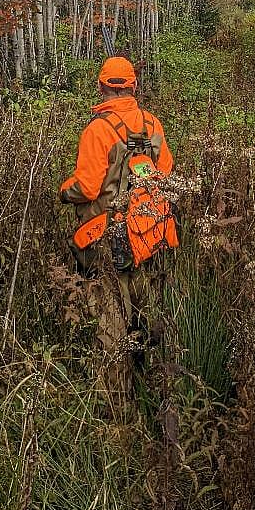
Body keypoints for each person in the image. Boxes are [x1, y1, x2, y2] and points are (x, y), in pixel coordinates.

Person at [59, 55, 175, 394]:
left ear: (100, 86)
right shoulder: (153, 125)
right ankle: (153, 382)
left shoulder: (97, 131)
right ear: (133, 86)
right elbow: (165, 174)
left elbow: (87, 187)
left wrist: (64, 191)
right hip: (150, 235)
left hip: (111, 240)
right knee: (148, 307)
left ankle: (116, 399)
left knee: (112, 314)